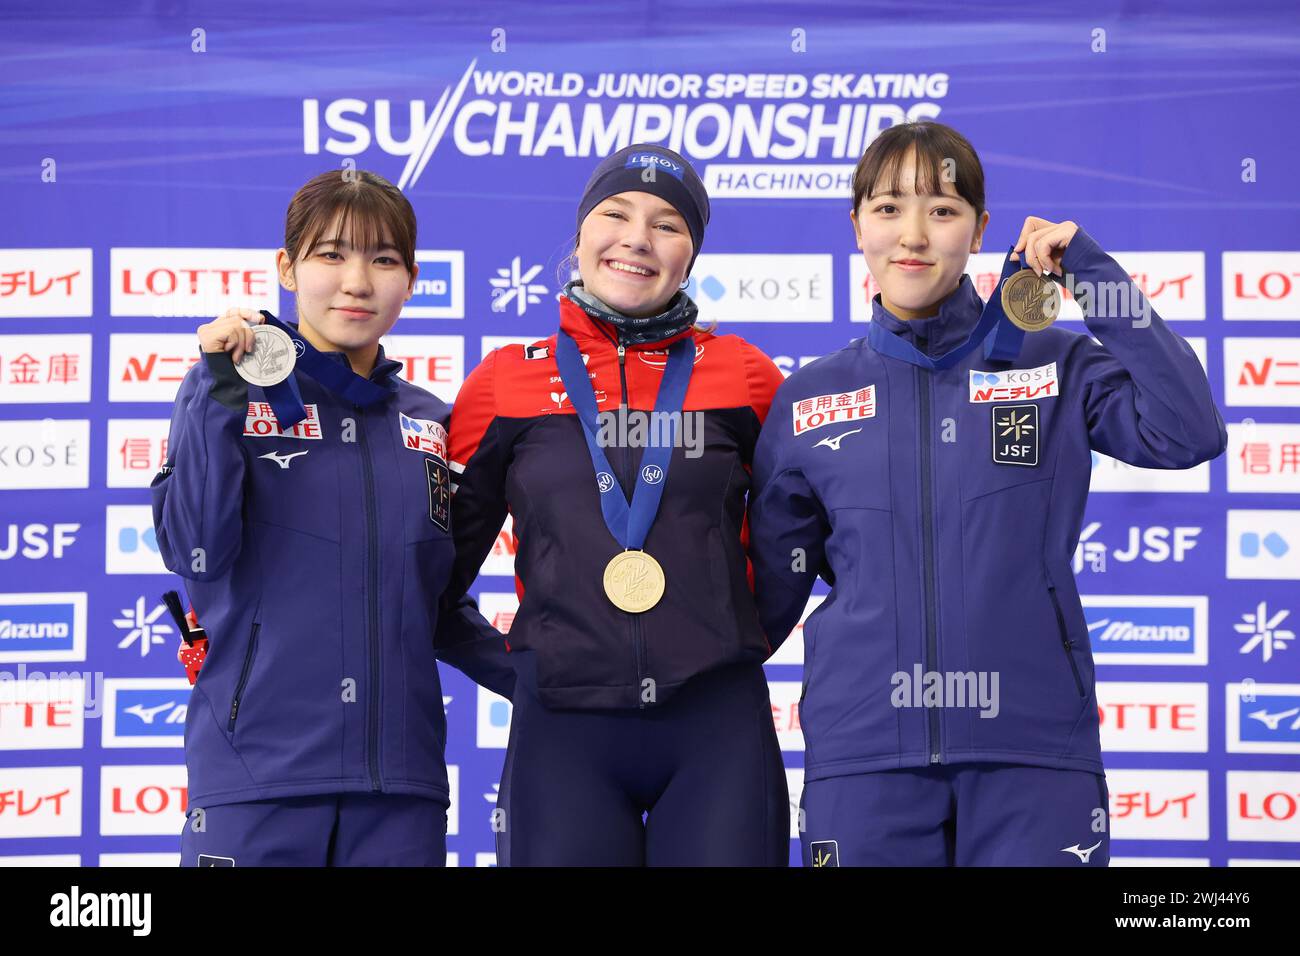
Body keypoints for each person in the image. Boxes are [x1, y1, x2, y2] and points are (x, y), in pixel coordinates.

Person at [748, 121, 1227, 867]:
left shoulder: (1054, 362)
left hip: (1034, 750)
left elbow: (1187, 431)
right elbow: (763, 605)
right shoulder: (810, 398)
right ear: (856, 228)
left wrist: (1091, 277)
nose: (913, 234)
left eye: (942, 210)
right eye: (888, 209)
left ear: (979, 232)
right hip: (867, 756)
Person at [152, 169, 511, 867]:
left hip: (401, 791)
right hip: (256, 780)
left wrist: (559, 680)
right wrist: (217, 392)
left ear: (411, 278)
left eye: (382, 259)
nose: (357, 281)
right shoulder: (229, 390)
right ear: (287, 268)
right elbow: (194, 546)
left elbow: (432, 601)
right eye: (331, 254)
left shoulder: (430, 423)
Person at [446, 144, 790, 866]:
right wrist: (522, 670)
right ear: (579, 235)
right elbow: (431, 575)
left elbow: (797, 541)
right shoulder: (505, 382)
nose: (638, 237)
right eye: (616, 213)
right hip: (564, 733)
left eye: (668, 224)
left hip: (716, 728)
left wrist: (735, 642)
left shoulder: (746, 375)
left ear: (690, 255)